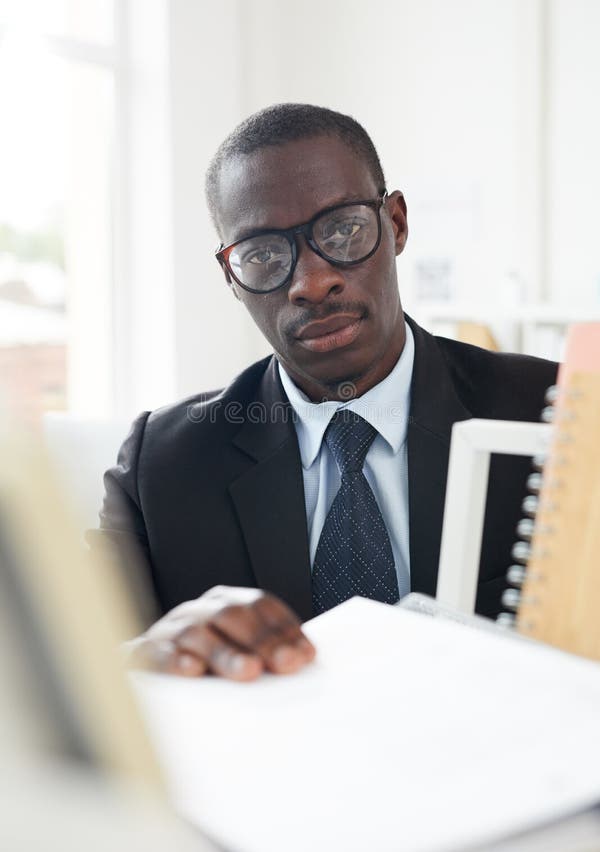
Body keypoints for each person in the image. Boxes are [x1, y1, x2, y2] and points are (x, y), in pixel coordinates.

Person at [89, 103, 557, 681]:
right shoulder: (161, 462)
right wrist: (143, 655)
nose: (312, 283)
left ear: (397, 224)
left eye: (343, 229)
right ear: (231, 277)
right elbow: (67, 662)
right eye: (261, 254)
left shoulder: (555, 414)